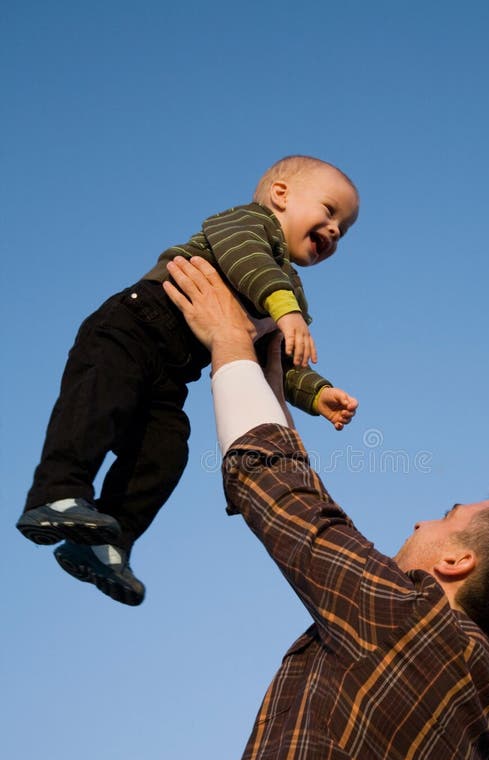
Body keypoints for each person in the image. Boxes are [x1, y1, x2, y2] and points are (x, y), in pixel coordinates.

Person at [163, 255, 489, 760]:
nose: (421, 520)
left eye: (446, 516)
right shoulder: (476, 707)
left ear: (456, 563)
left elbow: (282, 490)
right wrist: (268, 357)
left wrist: (229, 341)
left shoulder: (414, 625)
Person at [16, 155, 359, 606]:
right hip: (134, 325)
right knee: (99, 400)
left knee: (166, 449)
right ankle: (58, 493)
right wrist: (285, 309)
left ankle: (106, 542)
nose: (335, 230)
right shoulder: (248, 224)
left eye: (344, 229)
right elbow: (244, 258)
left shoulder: (289, 293)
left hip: (171, 376)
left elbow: (276, 359)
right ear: (281, 195)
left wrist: (316, 394)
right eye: (330, 212)